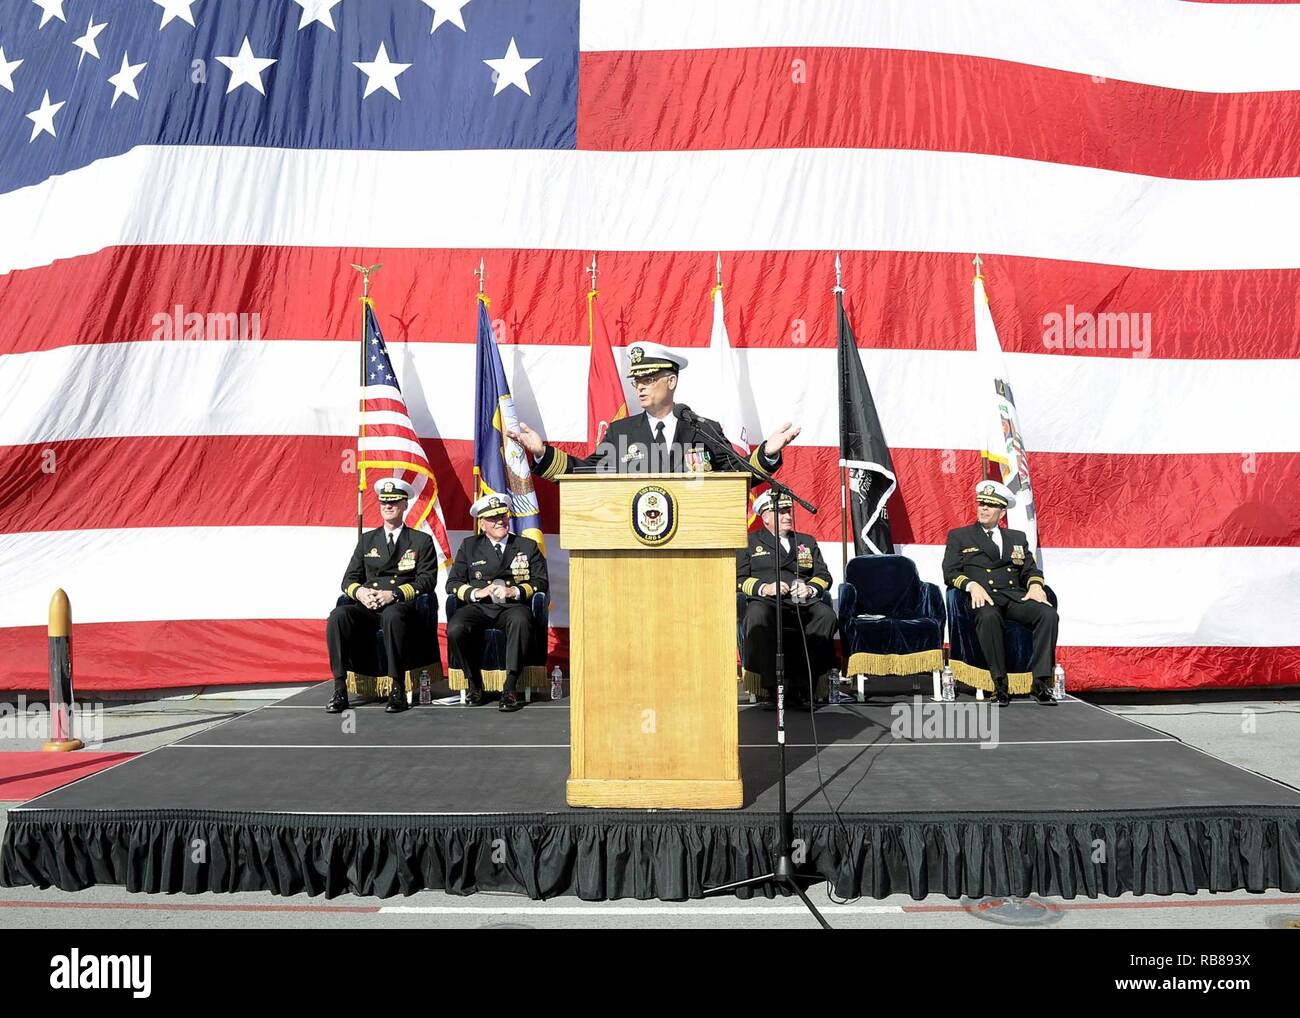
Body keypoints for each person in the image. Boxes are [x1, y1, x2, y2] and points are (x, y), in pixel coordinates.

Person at [508, 341, 800, 477]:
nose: (640, 388)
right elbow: (586, 472)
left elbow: (739, 475)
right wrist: (542, 453)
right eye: (637, 382)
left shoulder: (703, 428)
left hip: (695, 544)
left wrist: (767, 453)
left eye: (648, 380)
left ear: (671, 381)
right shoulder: (622, 431)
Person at [325, 478, 440, 714]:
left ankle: (397, 687)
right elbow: (348, 580)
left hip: (402, 607)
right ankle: (339, 689)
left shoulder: (421, 540)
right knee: (338, 616)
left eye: (394, 502)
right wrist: (362, 592)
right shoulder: (367, 540)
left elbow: (427, 581)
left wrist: (394, 594)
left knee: (392, 616)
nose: (388, 506)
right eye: (384, 502)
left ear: (404, 504)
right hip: (368, 606)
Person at [942, 480, 1059, 706]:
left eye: (991, 505)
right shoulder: (960, 536)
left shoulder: (1016, 538)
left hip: (1013, 596)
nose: (984, 508)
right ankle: (1000, 684)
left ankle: (1041, 683)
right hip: (981, 596)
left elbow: (1030, 570)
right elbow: (950, 572)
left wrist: (1035, 585)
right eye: (981, 504)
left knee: (1048, 614)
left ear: (1002, 511)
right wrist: (971, 585)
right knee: (988, 616)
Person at [445, 493, 548, 713]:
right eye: (493, 518)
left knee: (521, 620)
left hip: (511, 607)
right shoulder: (469, 545)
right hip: (479, 606)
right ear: (482, 524)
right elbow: (452, 583)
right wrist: (477, 593)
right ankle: (474, 683)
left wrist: (515, 590)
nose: (500, 520)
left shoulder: (526, 545)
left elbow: (541, 582)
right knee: (455, 628)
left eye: (502, 515)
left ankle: (510, 687)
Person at [737, 491, 837, 709]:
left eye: (788, 511)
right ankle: (773, 690)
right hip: (768, 602)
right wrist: (765, 588)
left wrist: (810, 588)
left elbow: (824, 576)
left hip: (801, 602)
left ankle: (804, 686)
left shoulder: (806, 541)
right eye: (780, 512)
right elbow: (739, 579)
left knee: (826, 615)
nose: (787, 516)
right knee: (757, 615)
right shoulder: (749, 542)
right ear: (765, 517)